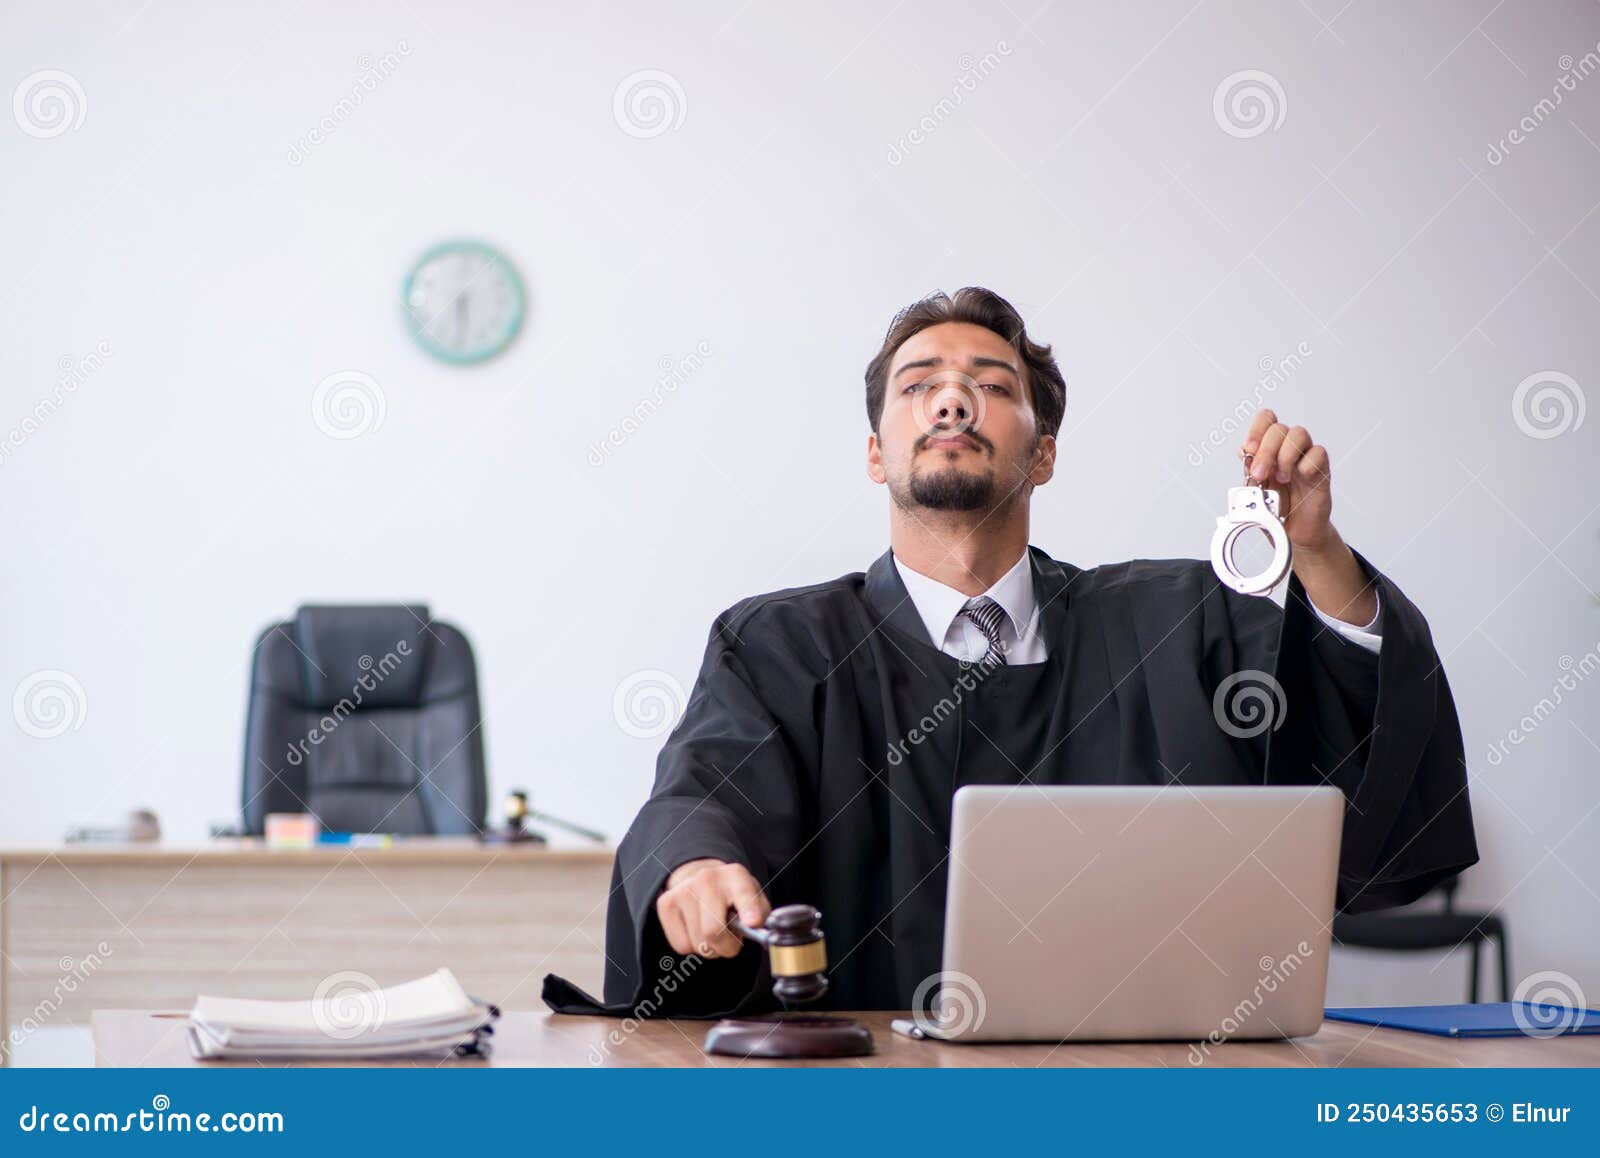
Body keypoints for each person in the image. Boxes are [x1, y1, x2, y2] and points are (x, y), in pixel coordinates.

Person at [544, 286, 1477, 1018]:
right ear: (879, 454)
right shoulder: (782, 646)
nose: (952, 397)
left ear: (1044, 455)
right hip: (861, 1099)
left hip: (1140, 1093)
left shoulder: (1181, 620)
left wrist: (1316, 553)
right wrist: (694, 867)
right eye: (919, 387)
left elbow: (1352, 739)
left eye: (993, 385)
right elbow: (702, 794)